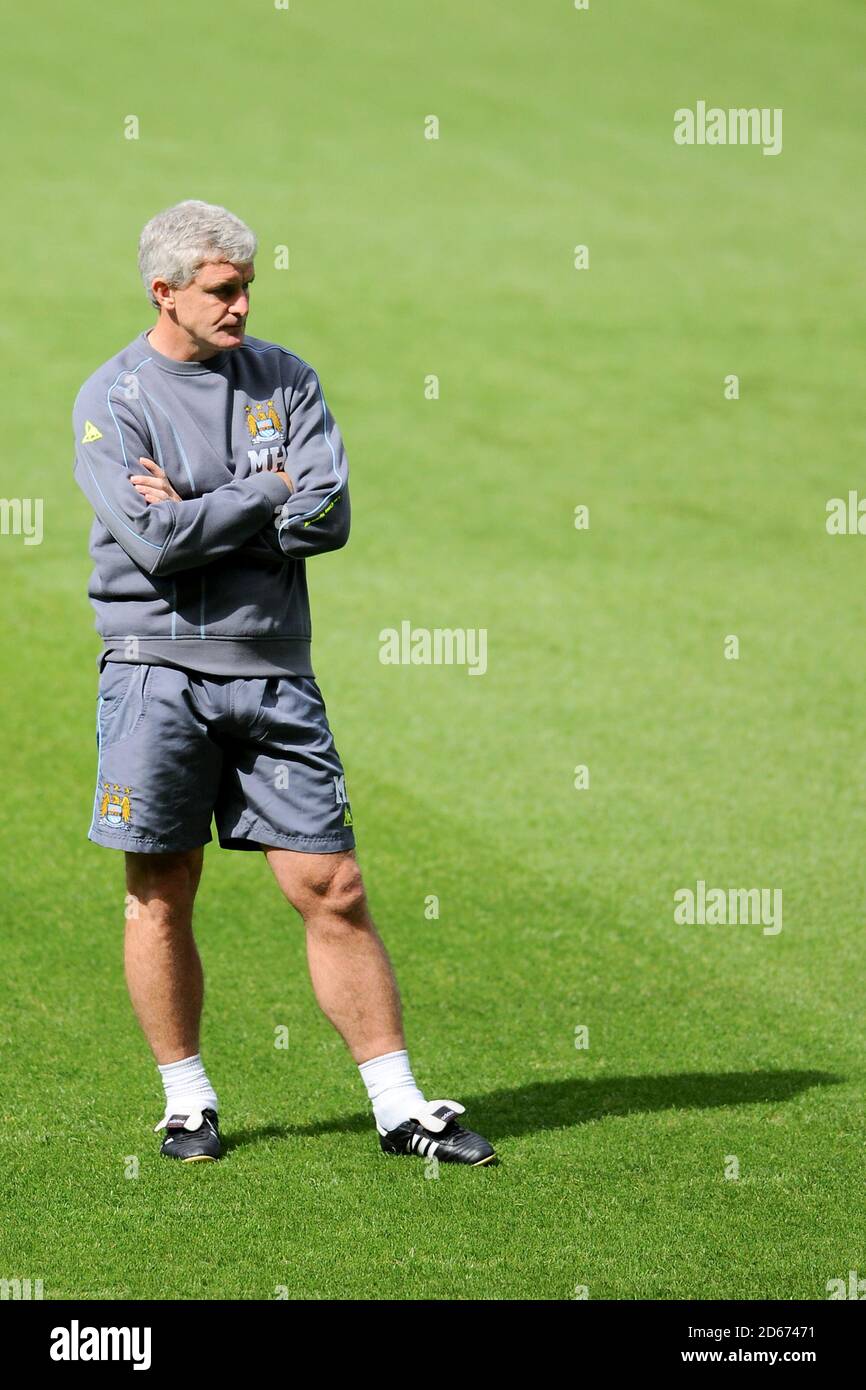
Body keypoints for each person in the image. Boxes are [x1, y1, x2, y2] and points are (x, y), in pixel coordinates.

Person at [72, 199, 495, 1167]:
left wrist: (220, 504)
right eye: (223, 290)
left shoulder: (284, 379)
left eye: (248, 285)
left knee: (332, 885)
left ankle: (397, 1106)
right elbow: (156, 542)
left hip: (274, 672)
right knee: (160, 888)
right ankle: (187, 1102)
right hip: (154, 672)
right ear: (164, 292)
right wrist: (266, 493)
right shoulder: (113, 398)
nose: (241, 305)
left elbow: (328, 514)